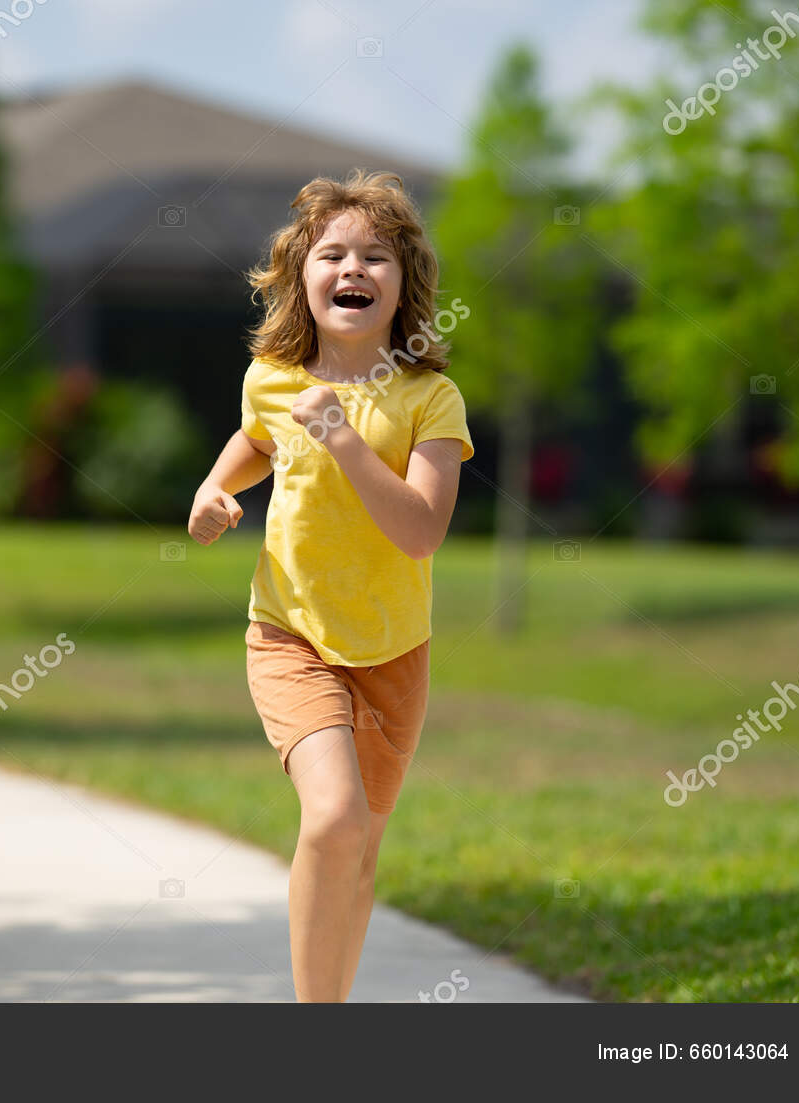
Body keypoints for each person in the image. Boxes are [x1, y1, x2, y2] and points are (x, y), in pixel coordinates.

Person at [187, 168, 474, 1002]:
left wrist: (347, 441)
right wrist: (214, 489)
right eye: (333, 253)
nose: (353, 269)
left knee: (361, 846)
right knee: (336, 819)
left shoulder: (431, 399)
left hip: (393, 649)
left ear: (405, 284)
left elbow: (422, 530)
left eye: (376, 256)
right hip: (290, 633)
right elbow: (255, 439)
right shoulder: (272, 377)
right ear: (300, 277)